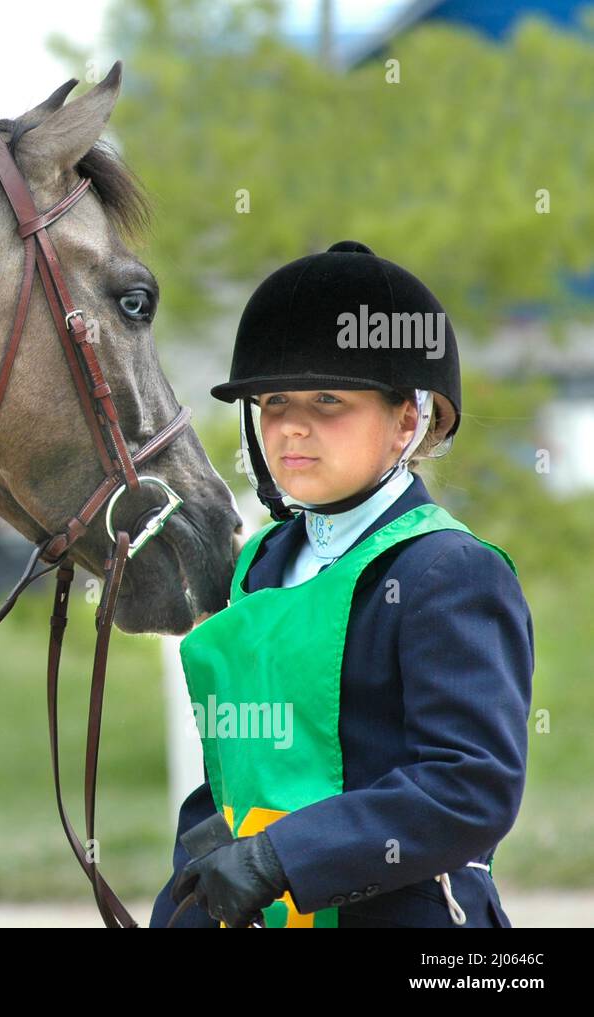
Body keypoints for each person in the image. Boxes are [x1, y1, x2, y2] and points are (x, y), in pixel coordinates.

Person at [150, 241, 534, 928]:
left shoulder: (447, 571)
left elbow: (469, 785)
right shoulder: (261, 562)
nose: (291, 426)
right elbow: (235, 776)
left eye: (327, 400)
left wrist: (278, 859)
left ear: (407, 421)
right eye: (272, 402)